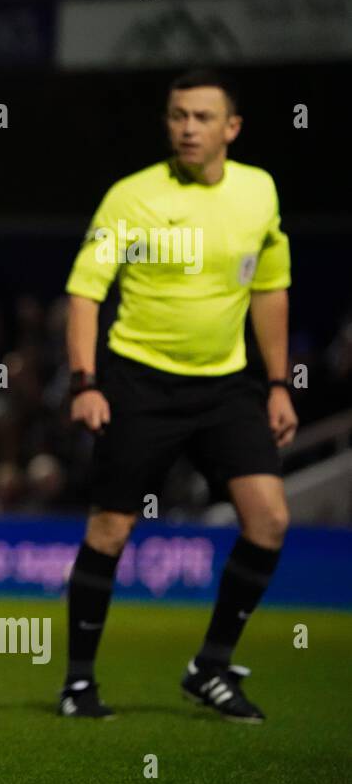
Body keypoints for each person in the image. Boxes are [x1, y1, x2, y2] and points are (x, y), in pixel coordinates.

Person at [60, 69, 297, 722]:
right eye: (176, 115)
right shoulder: (131, 197)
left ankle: (211, 667)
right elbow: (86, 291)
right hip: (140, 381)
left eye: (200, 117)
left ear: (232, 128)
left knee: (270, 519)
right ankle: (79, 683)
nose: (187, 128)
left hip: (227, 386)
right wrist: (85, 382)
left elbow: (269, 288)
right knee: (111, 528)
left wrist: (278, 383)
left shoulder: (259, 191)